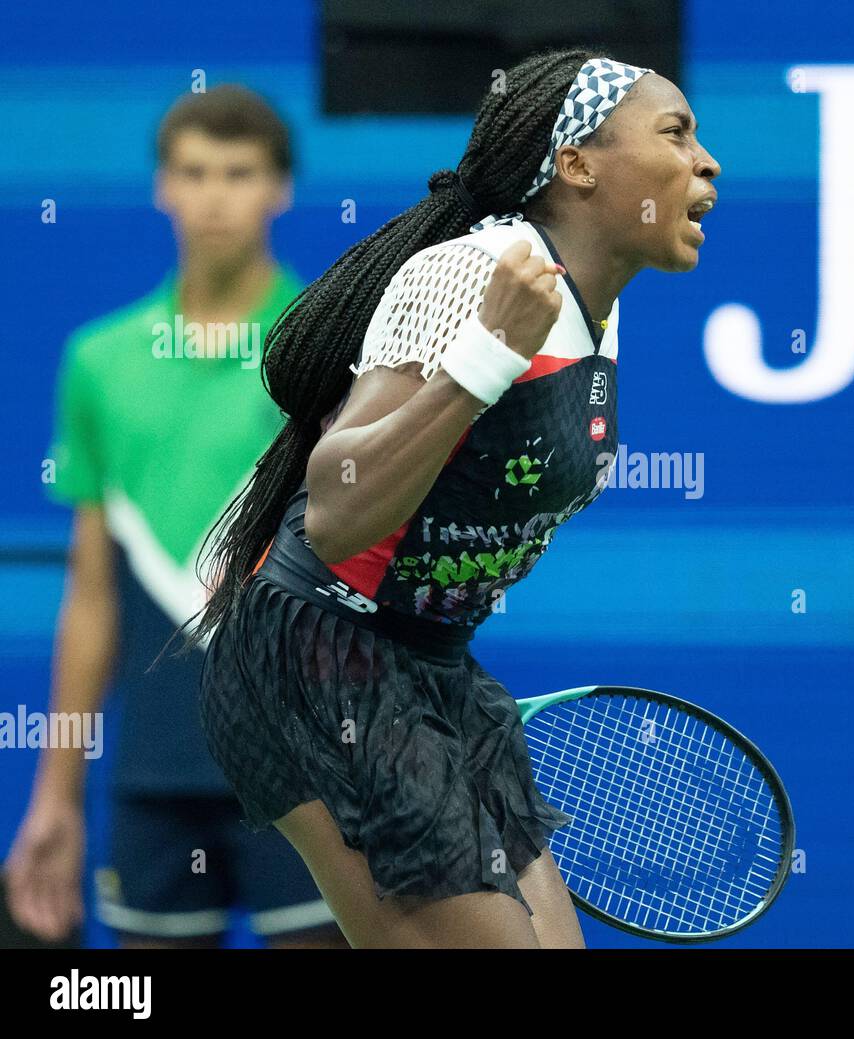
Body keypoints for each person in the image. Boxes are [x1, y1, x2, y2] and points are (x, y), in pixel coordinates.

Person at [194, 49, 721, 948]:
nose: (707, 162)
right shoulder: (473, 276)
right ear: (578, 163)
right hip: (318, 660)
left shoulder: (597, 312)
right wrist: (482, 363)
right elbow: (335, 503)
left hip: (433, 666)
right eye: (675, 134)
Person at [5, 85, 346, 949]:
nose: (216, 196)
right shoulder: (100, 361)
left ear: (281, 189)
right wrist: (56, 792)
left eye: (240, 172)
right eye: (194, 172)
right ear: (163, 187)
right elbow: (91, 597)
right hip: (154, 773)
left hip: (305, 768)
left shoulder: (330, 350)